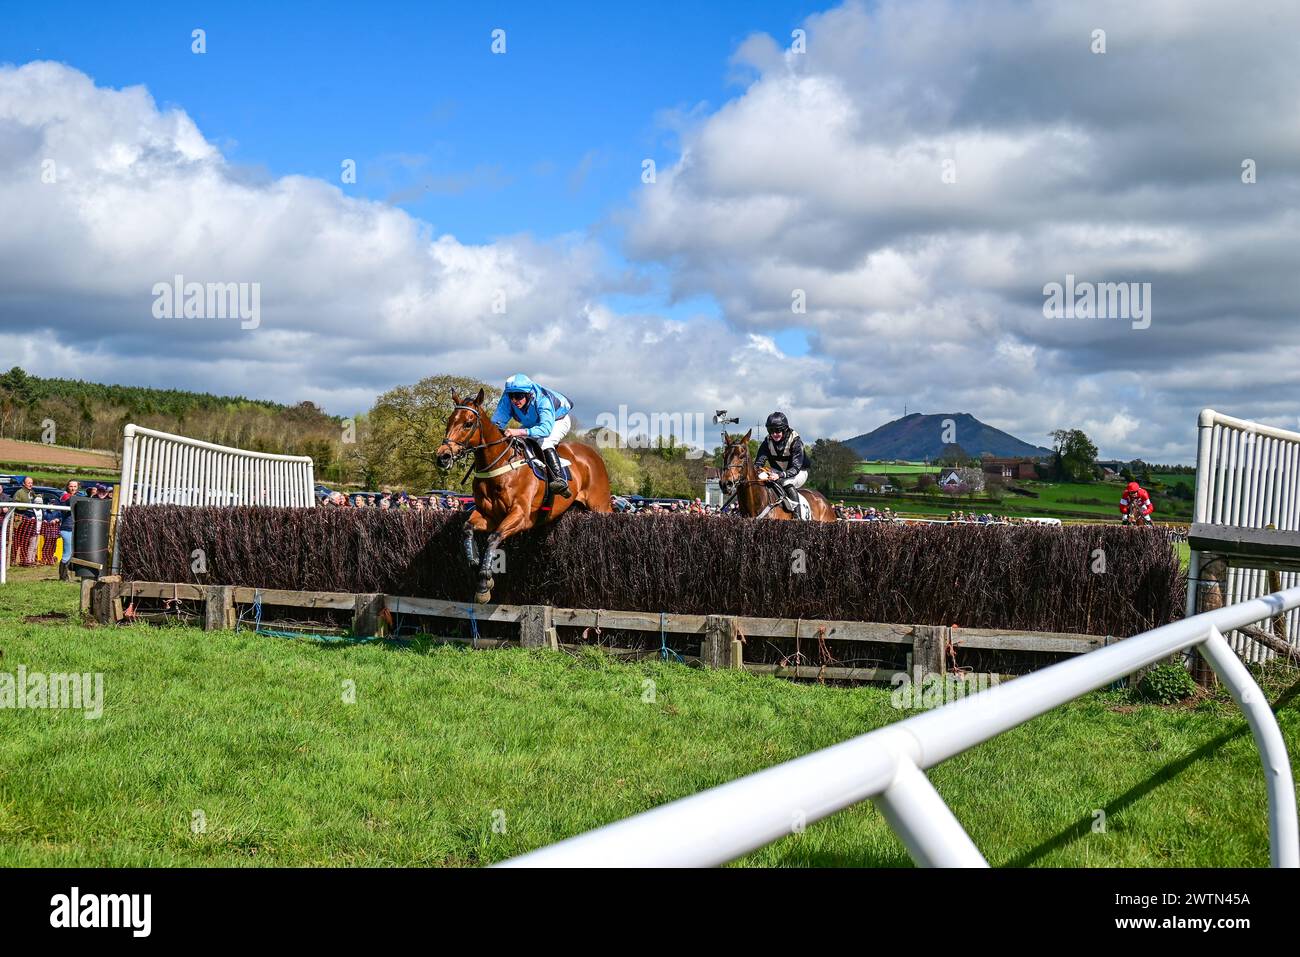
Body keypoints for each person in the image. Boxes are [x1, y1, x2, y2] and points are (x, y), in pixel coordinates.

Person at [490, 373, 575, 496]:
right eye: (511, 396)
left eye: (518, 396)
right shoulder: (508, 399)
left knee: (545, 442)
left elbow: (545, 429)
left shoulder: (543, 400)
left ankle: (559, 479)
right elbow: (496, 423)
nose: (514, 400)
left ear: (528, 394)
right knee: (514, 442)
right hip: (533, 422)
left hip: (557, 420)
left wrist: (518, 431)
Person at [754, 412, 809, 515]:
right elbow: (759, 463)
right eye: (771, 430)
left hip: (799, 472)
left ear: (785, 429)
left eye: (778, 430)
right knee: (760, 479)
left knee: (786, 483)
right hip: (778, 472)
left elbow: (796, 468)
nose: (774, 434)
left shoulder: (795, 441)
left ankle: (797, 518)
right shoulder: (767, 441)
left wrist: (780, 475)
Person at [57, 480, 82, 581]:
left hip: (75, 528)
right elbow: (69, 501)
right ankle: (63, 577)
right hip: (67, 529)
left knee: (72, 553)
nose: (73, 488)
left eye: (75, 486)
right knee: (67, 553)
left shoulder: (78, 496)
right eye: (71, 486)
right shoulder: (65, 496)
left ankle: (67, 575)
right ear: (67, 487)